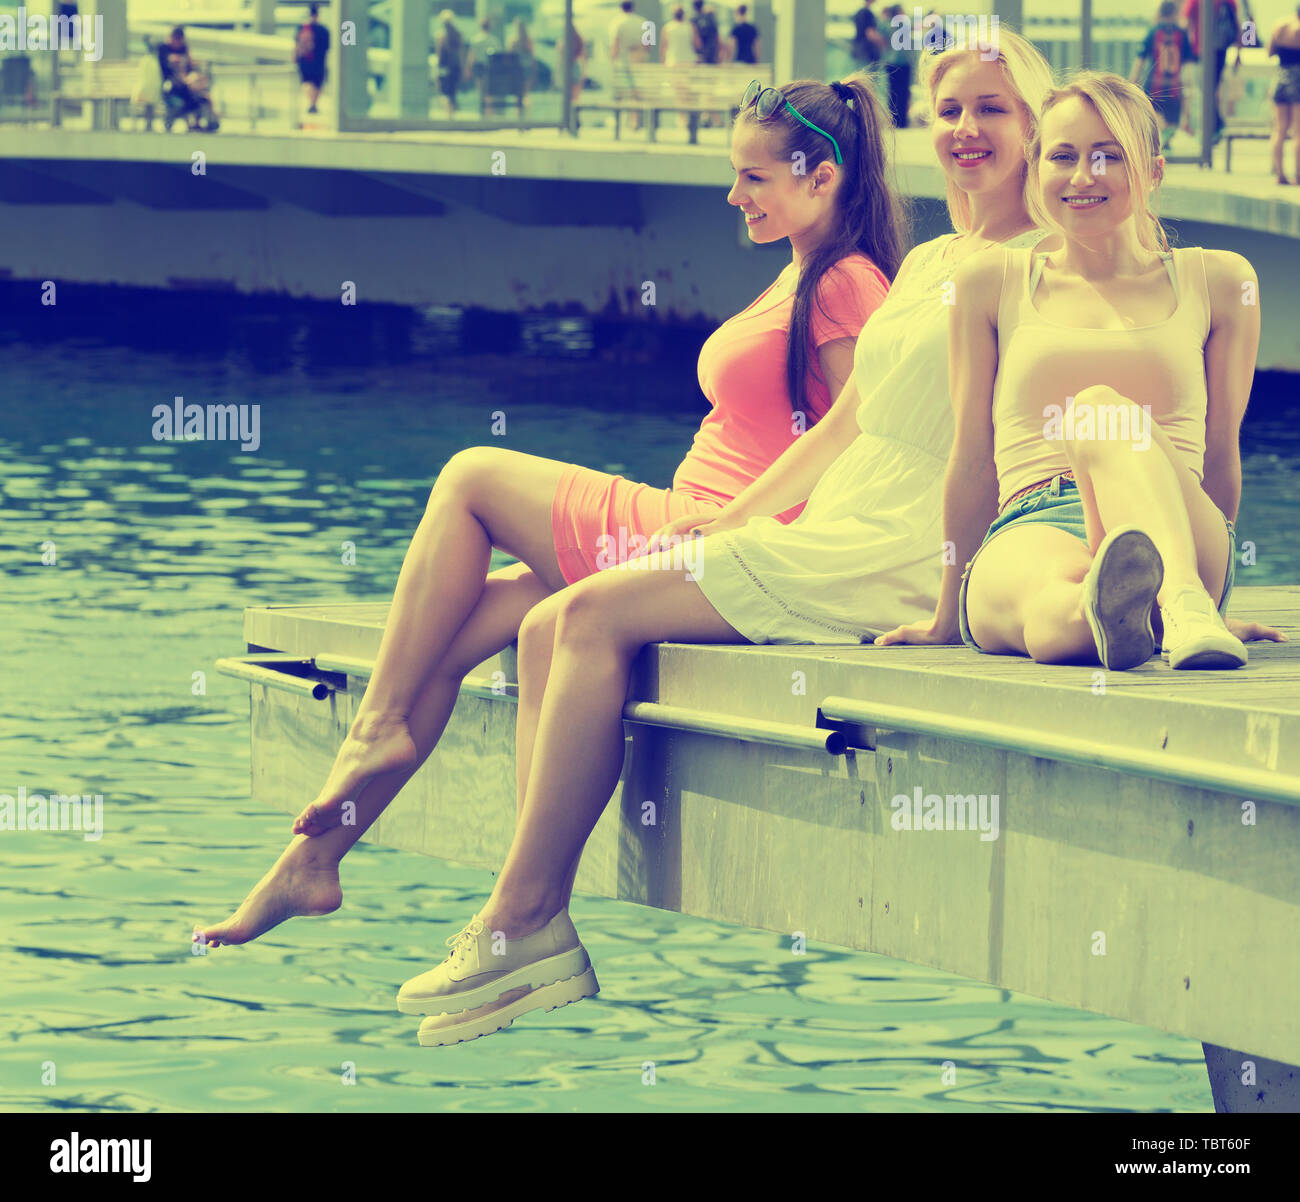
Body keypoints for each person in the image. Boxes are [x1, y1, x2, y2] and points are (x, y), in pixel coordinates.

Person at [320, 31, 1085, 1045]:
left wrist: (957, 598)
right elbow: (848, 423)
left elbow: (1043, 446)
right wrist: (732, 517)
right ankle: (527, 909)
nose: (964, 131)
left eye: (991, 109)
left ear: (1035, 127)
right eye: (947, 111)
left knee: (589, 610)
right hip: (841, 513)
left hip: (893, 544)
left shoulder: (1043, 265)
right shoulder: (935, 261)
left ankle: (525, 918)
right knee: (550, 619)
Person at [195, 73, 907, 962]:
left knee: (472, 478)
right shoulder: (807, 273)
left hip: (712, 542)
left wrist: (745, 526)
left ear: (822, 175)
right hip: (688, 532)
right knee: (460, 628)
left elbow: (862, 433)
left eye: (754, 178)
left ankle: (376, 735)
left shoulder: (847, 284)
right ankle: (313, 860)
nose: (734, 196)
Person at [878, 72, 1284, 672]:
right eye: (1063, 156)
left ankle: (1183, 603)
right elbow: (970, 457)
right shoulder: (989, 284)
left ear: (1153, 171)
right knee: (1049, 608)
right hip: (1034, 517)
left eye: (1108, 156)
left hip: (1173, 517)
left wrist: (1217, 593)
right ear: (1037, 169)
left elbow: (1221, 454)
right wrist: (945, 617)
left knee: (1099, 410)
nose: (1083, 176)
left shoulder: (1219, 281)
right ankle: (1108, 613)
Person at [1133, 1, 1196, 153]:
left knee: (1154, 112)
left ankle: (1164, 131)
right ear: (1175, 14)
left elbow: (1140, 59)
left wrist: (1133, 80)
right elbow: (1188, 63)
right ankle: (1168, 134)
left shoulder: (1153, 32)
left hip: (1154, 82)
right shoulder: (1181, 34)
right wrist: (1189, 86)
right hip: (1175, 83)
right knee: (1173, 116)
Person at [1182, 0, 1240, 140]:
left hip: (1201, 50)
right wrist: (1239, 50)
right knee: (1212, 88)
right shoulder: (1229, 1)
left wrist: (1187, 47)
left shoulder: (1194, 1)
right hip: (1221, 49)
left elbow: (1185, 23)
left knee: (1206, 89)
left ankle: (1213, 126)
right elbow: (1239, 24)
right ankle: (1214, 125)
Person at [1267, 5, 1300, 184]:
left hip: (1281, 77)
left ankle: (1279, 173)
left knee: (1279, 129)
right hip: (1298, 80)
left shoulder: (1280, 25)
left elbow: (1270, 52)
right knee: (1298, 131)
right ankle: (1298, 174)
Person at [608, 2, 646, 130]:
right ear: (634, 7)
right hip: (639, 63)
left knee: (622, 93)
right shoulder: (644, 22)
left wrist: (612, 60)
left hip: (622, 63)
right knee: (636, 93)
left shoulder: (617, 22)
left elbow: (615, 45)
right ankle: (634, 121)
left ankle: (622, 122)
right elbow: (648, 46)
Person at [293, 3, 330, 116]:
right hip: (319, 61)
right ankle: (313, 105)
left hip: (305, 60)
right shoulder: (324, 30)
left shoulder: (302, 28)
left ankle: (311, 104)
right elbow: (327, 47)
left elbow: (296, 45)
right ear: (318, 15)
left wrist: (295, 56)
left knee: (306, 82)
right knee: (318, 84)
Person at [881, 3, 913, 127]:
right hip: (903, 62)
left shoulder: (886, 24)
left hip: (890, 62)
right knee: (903, 92)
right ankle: (902, 122)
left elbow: (882, 39)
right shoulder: (903, 23)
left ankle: (893, 121)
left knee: (893, 93)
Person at [435, 10, 464, 117]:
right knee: (452, 91)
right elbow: (461, 53)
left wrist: (436, 69)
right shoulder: (458, 34)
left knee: (444, 90)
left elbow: (438, 54)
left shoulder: (440, 35)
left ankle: (448, 112)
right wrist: (462, 67)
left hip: (444, 66)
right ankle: (452, 112)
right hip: (455, 66)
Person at [508, 17, 536, 109]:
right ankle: (523, 100)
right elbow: (531, 54)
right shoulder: (527, 39)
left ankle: (520, 100)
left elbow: (510, 53)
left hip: (517, 65)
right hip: (525, 65)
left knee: (519, 85)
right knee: (525, 85)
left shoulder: (513, 40)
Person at [691, 0, 720, 65]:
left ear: (693, 7)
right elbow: (717, 37)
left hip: (699, 54)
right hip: (711, 52)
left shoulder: (693, 20)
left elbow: (695, 38)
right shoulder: (710, 18)